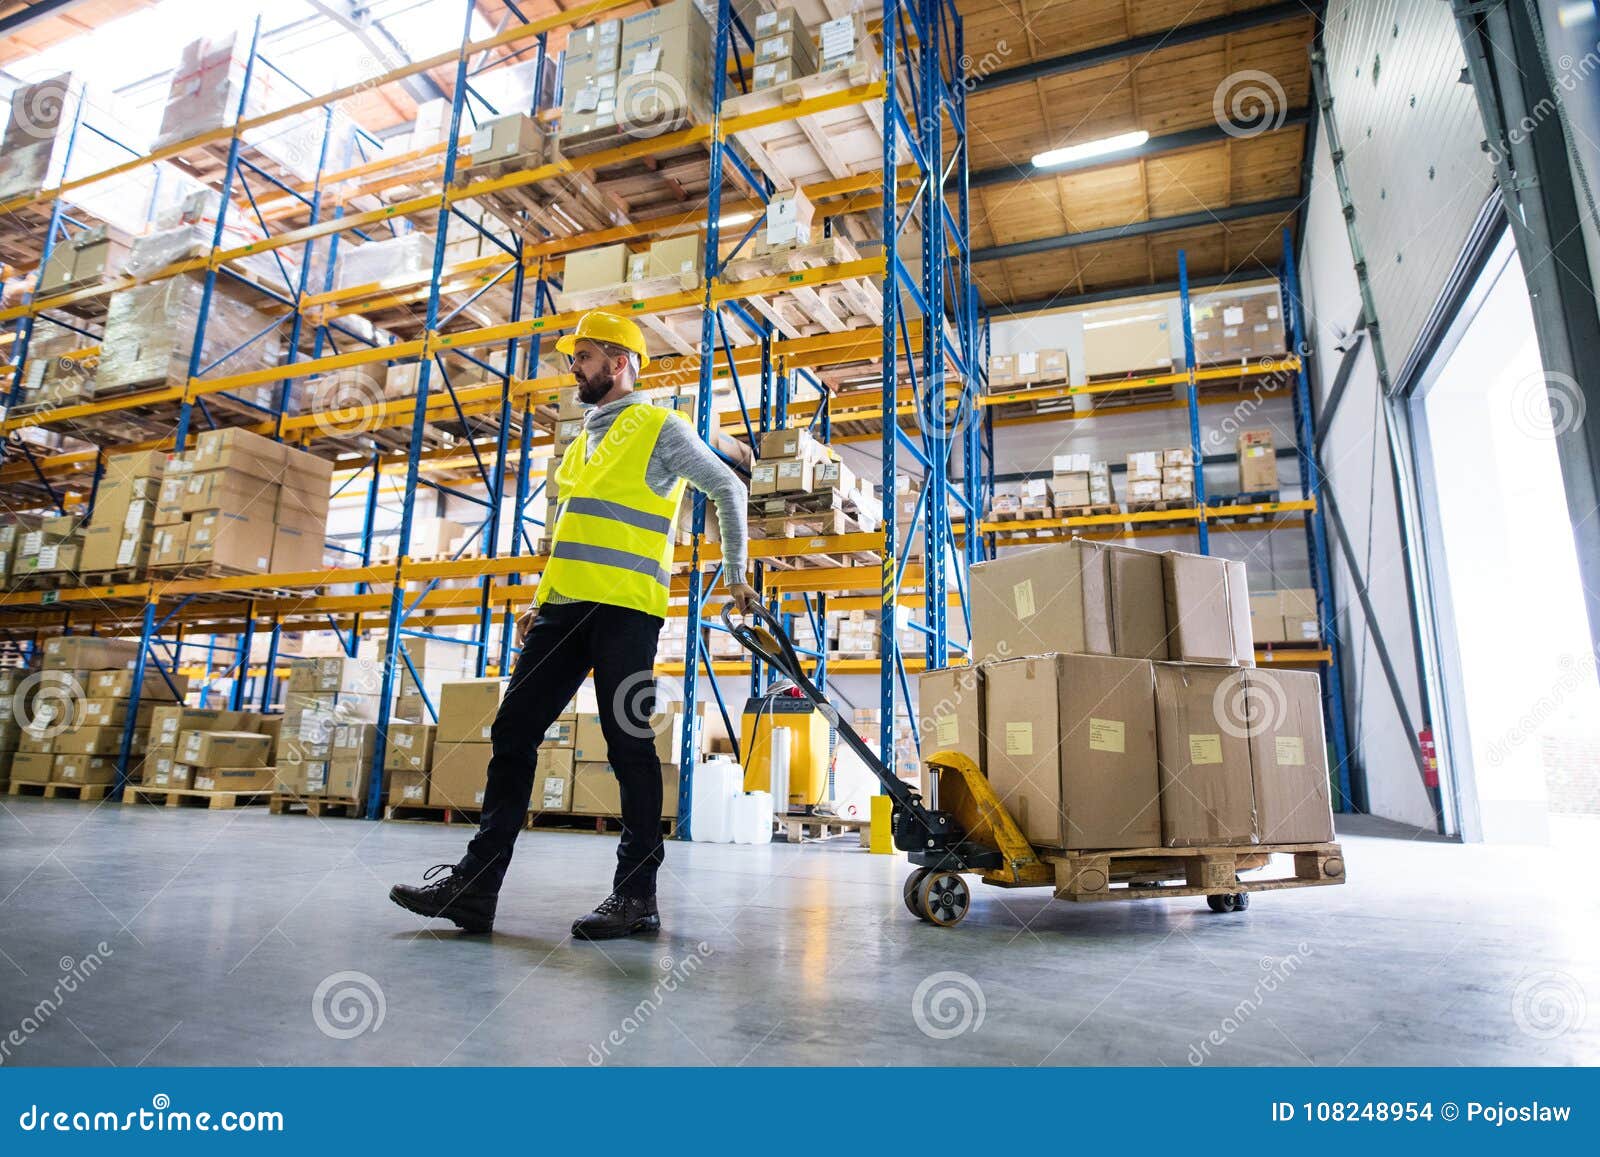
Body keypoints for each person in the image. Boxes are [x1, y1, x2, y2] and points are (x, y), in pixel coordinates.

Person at [390, 311, 757, 939]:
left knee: (627, 744)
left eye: (582, 358)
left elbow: (728, 486)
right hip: (562, 611)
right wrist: (541, 598)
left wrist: (735, 572)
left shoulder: (658, 426)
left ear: (619, 364)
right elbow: (569, 534)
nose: (573, 369)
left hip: (626, 612)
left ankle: (636, 895)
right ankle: (475, 888)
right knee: (512, 730)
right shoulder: (584, 437)